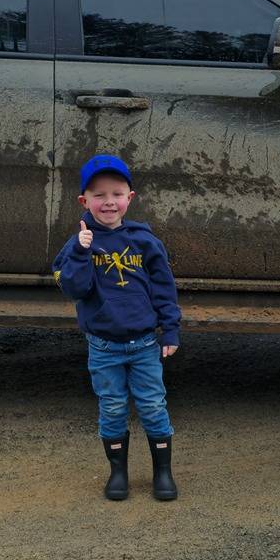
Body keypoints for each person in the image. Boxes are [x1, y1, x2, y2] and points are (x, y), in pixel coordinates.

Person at [53, 154, 183, 501]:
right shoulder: (78, 243)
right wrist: (81, 255)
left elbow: (163, 288)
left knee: (153, 405)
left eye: (116, 194)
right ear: (84, 201)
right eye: (98, 195)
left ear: (130, 197)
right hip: (103, 346)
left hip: (144, 344)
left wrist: (170, 329)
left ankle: (163, 473)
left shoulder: (144, 241)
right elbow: (73, 289)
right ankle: (118, 473)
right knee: (112, 407)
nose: (108, 202)